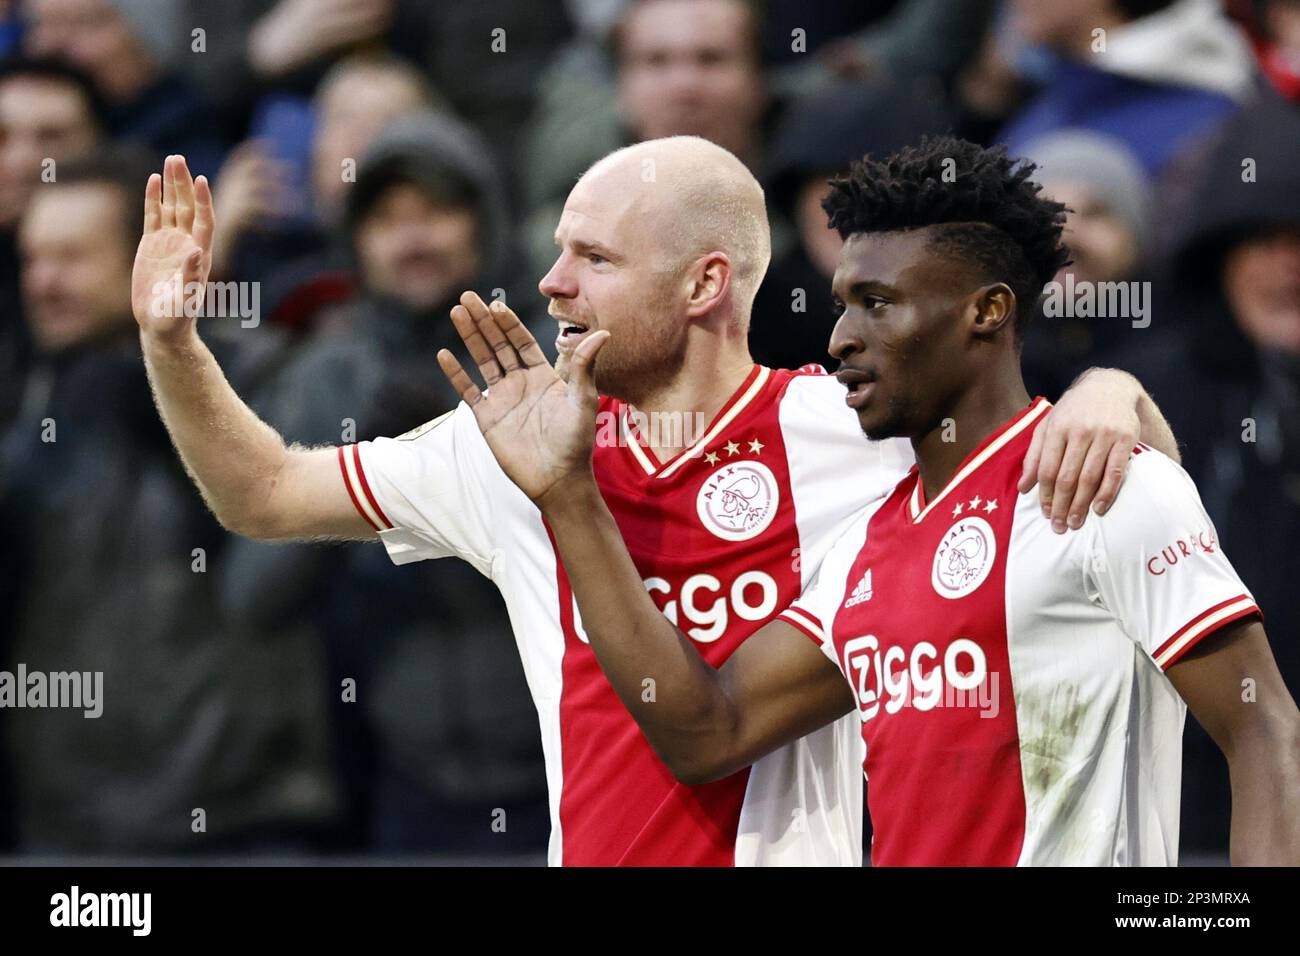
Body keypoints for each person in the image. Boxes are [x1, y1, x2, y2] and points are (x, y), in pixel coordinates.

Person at [130, 143, 1177, 866]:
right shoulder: (510, 436)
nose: (550, 283)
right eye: (558, 250)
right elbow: (262, 492)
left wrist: (1109, 390)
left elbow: (1073, 463)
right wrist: (172, 343)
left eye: (591, 257)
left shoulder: (859, 432)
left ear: (701, 283)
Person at [440, 136, 1300, 865]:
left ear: (987, 312)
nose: (841, 337)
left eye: (879, 305)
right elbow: (705, 733)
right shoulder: (862, 551)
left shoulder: (1100, 486)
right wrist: (569, 494)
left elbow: (1264, 731)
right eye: (845, 302)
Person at [1, 149, 337, 853]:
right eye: (33, 260)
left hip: (245, 816)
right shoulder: (23, 404)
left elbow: (266, 582)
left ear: (143, 255)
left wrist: (172, 407)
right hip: (69, 825)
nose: (44, 282)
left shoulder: (262, 374)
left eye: (70, 258)